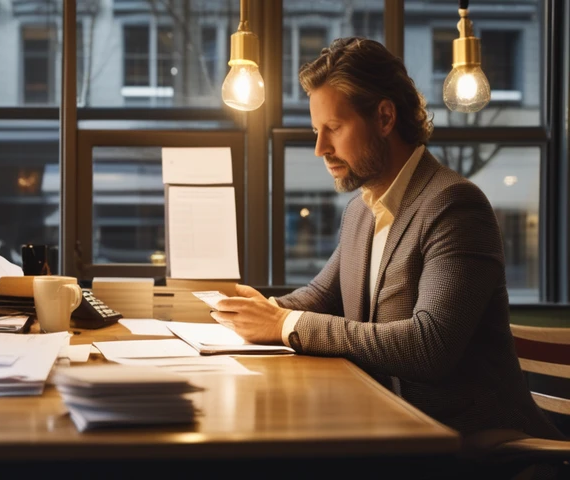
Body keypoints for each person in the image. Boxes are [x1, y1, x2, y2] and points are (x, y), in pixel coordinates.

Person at [213, 37, 562, 440]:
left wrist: (285, 323)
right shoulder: (362, 211)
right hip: (393, 431)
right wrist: (256, 311)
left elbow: (429, 345)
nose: (319, 148)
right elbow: (319, 296)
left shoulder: (454, 206)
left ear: (384, 117)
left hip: (476, 446)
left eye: (334, 128)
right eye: (315, 131)